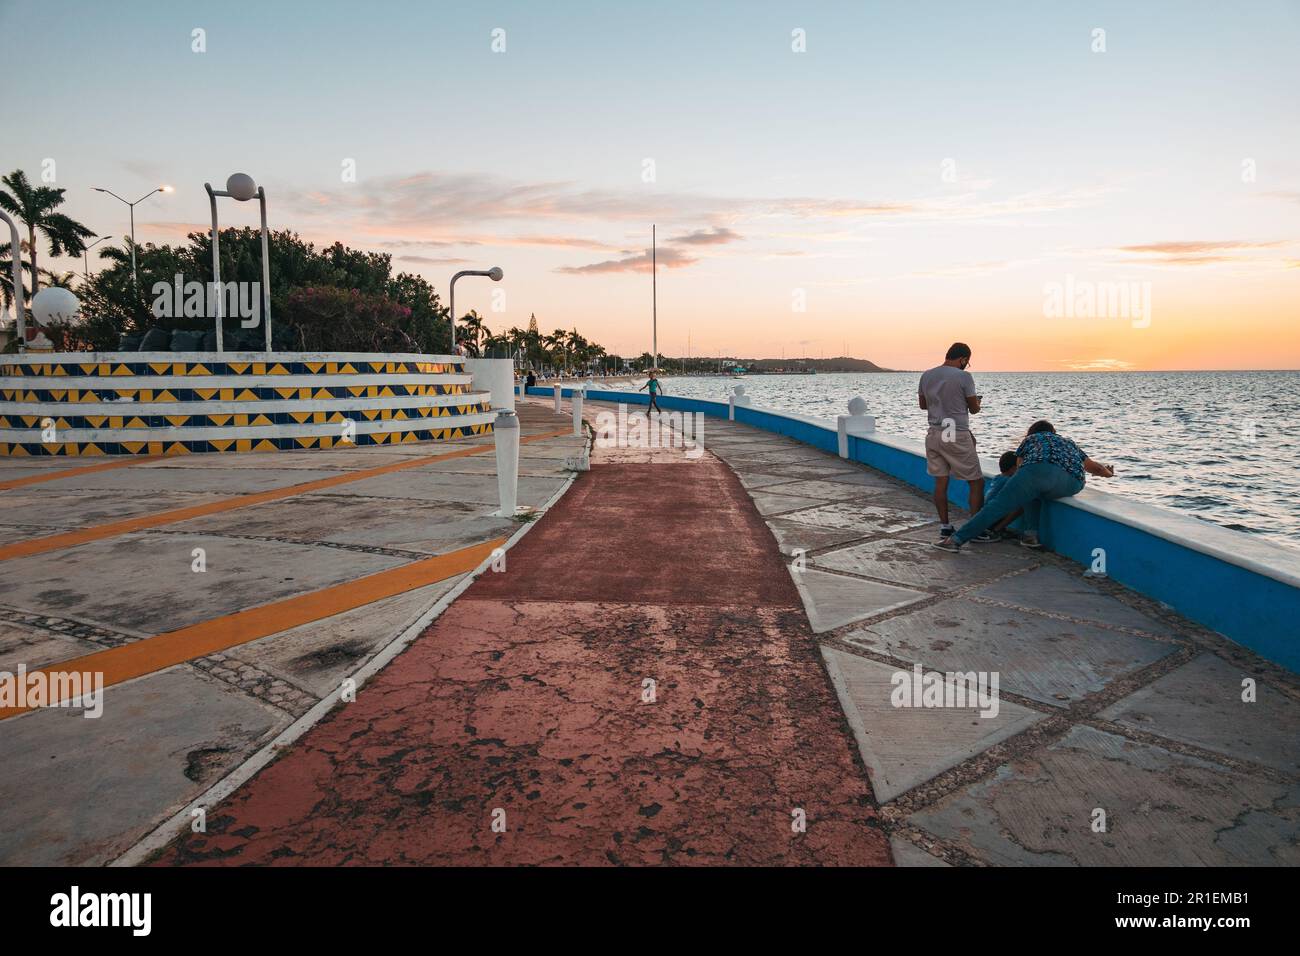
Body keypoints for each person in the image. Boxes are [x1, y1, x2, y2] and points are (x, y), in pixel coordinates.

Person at [935, 420, 1116, 552]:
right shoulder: (1069, 442)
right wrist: (1109, 473)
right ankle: (1030, 536)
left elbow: (1020, 467)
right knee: (1034, 493)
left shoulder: (1030, 440)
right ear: (1054, 431)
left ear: (1031, 432)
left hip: (1035, 471)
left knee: (997, 505)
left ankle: (956, 541)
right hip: (1071, 483)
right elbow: (1096, 468)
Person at [918, 343, 988, 540]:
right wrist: (976, 403)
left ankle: (945, 526)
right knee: (976, 482)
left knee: (941, 481)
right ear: (963, 359)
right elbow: (973, 409)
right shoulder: (964, 376)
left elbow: (923, 405)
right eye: (967, 362)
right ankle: (975, 529)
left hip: (934, 432)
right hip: (954, 432)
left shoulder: (927, 375)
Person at [985, 451, 1023, 539]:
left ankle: (996, 527)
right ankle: (996, 529)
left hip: (986, 514)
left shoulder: (998, 477)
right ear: (1014, 468)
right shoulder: (1009, 481)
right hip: (992, 517)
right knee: (1021, 506)